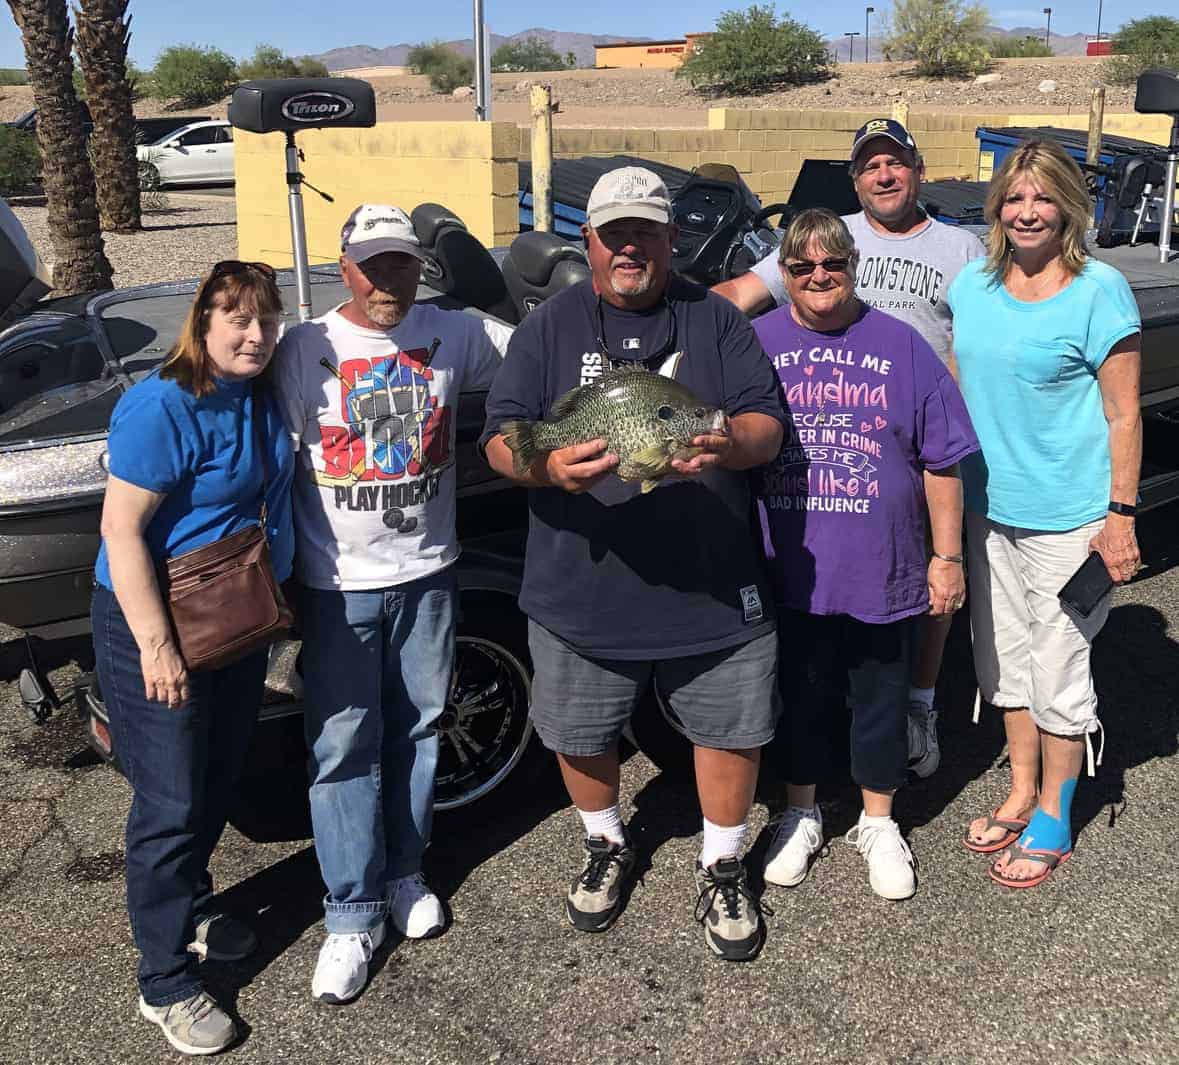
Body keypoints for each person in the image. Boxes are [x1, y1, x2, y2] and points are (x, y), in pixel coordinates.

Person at [481, 166, 785, 961]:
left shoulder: (713, 319)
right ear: (590, 241)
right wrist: (543, 469)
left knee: (731, 728)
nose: (629, 248)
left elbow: (766, 423)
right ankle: (605, 841)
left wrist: (728, 442)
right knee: (580, 728)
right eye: (613, 234)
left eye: (644, 233)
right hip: (579, 585)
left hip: (713, 582)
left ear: (668, 239)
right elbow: (503, 433)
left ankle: (722, 861)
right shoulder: (548, 327)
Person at [272, 204, 505, 1004]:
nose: (385, 280)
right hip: (338, 586)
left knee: (418, 730)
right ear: (345, 268)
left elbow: (540, 358)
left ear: (418, 268)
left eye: (400, 263)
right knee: (342, 746)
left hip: (427, 571)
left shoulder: (455, 332)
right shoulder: (305, 348)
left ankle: (405, 875)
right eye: (371, 265)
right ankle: (349, 912)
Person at [714, 118, 985, 781]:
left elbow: (998, 331)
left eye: (894, 163)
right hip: (826, 443)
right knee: (822, 626)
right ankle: (821, 763)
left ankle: (917, 704)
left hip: (915, 433)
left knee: (918, 587)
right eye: (869, 166)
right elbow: (736, 298)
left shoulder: (962, 249)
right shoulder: (823, 237)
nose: (883, 175)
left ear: (917, 170)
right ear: (855, 178)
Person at [92, 261, 294, 1056]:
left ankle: (193, 903)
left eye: (267, 321)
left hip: (230, 612)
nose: (254, 334)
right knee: (169, 799)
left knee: (214, 775)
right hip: (156, 617)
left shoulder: (259, 392)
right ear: (202, 323)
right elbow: (120, 531)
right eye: (237, 318)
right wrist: (156, 647)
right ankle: (165, 979)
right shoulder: (163, 403)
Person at [752, 209, 979, 899]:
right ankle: (800, 811)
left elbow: (941, 460)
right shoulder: (755, 343)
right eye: (801, 266)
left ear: (854, 266)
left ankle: (878, 821)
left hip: (882, 565)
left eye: (832, 264)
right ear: (784, 274)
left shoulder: (899, 344)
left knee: (881, 698)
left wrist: (947, 558)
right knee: (803, 696)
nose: (819, 276)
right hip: (791, 565)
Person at [951, 140, 1142, 888]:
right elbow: (960, 380)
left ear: (1067, 205)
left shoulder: (1099, 291)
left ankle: (1056, 811)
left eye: (1042, 197)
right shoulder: (972, 284)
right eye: (1014, 198)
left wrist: (1119, 515)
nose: (1026, 211)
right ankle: (1022, 789)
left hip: (1067, 516)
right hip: (986, 509)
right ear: (996, 206)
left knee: (1058, 665)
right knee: (1001, 659)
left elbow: (1123, 415)